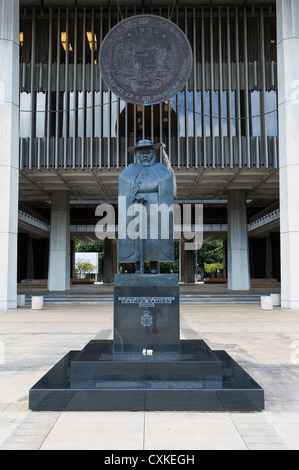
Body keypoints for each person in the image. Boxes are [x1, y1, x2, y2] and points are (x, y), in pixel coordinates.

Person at [118, 139, 174, 273]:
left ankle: (154, 264)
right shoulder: (129, 170)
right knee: (136, 237)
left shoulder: (161, 169)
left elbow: (166, 187)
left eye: (147, 153)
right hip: (135, 208)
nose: (144, 156)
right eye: (141, 153)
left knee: (155, 237)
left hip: (156, 208)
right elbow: (125, 188)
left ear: (153, 153)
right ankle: (138, 265)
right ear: (136, 155)